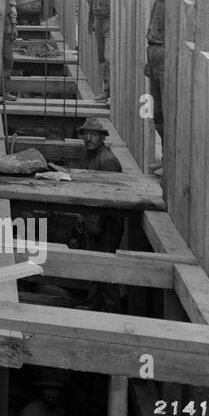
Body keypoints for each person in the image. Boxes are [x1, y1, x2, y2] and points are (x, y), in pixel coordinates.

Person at [67, 118, 124, 312]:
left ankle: (111, 312)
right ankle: (93, 304)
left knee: (106, 269)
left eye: (93, 135)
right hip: (94, 219)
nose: (89, 138)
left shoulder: (106, 161)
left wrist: (96, 223)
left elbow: (111, 197)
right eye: (86, 134)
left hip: (107, 223)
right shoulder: (92, 156)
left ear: (102, 137)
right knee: (94, 264)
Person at [141, 0, 170, 174]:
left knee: (168, 111)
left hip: (167, 59)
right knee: (155, 111)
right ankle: (167, 157)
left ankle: (171, 161)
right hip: (155, 56)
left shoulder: (172, 0)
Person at [85, 0, 113, 103]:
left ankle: (113, 93)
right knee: (102, 58)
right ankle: (107, 91)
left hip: (111, 22)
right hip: (98, 22)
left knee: (110, 58)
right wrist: (94, 5)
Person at [2, 0, 20, 101]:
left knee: (7, 59)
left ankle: (4, 91)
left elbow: (12, 4)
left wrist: (13, 24)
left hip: (5, 23)